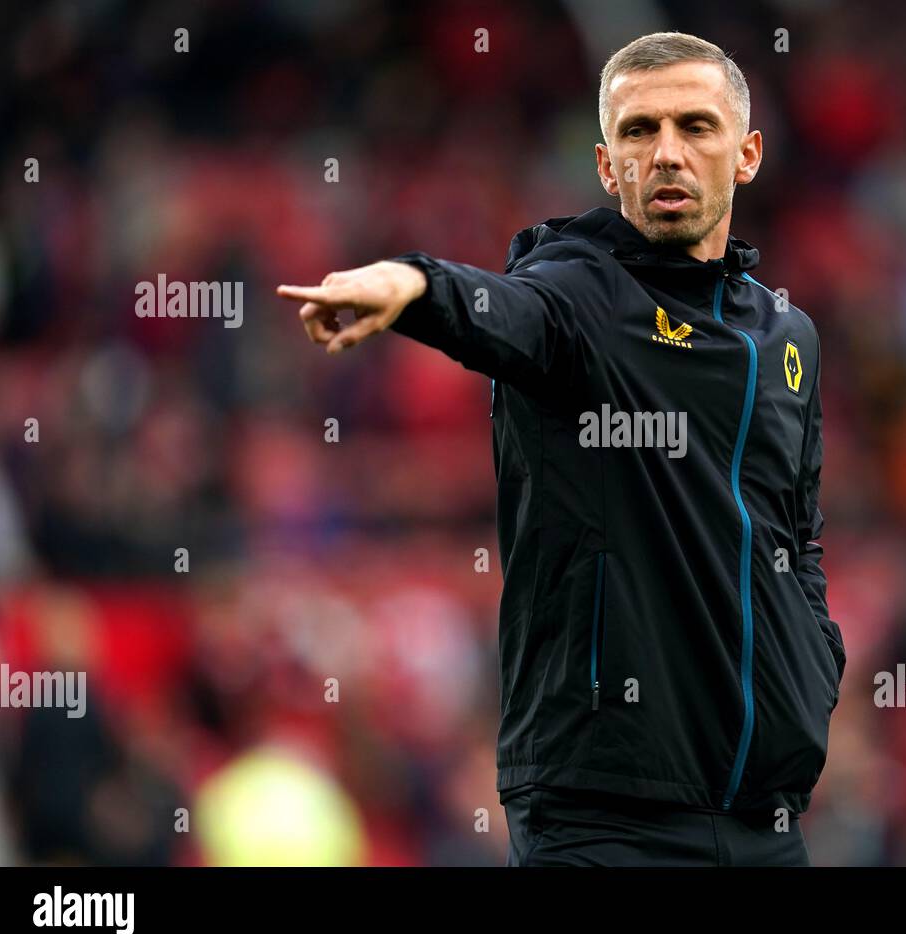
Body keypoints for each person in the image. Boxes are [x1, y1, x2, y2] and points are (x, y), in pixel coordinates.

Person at [277, 31, 844, 866]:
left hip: (766, 819)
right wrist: (413, 285)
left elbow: (798, 531)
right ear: (608, 165)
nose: (668, 154)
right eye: (640, 132)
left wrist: (814, 664)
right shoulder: (580, 295)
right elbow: (506, 314)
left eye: (695, 126)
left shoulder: (787, 335)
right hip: (604, 819)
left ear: (748, 152)